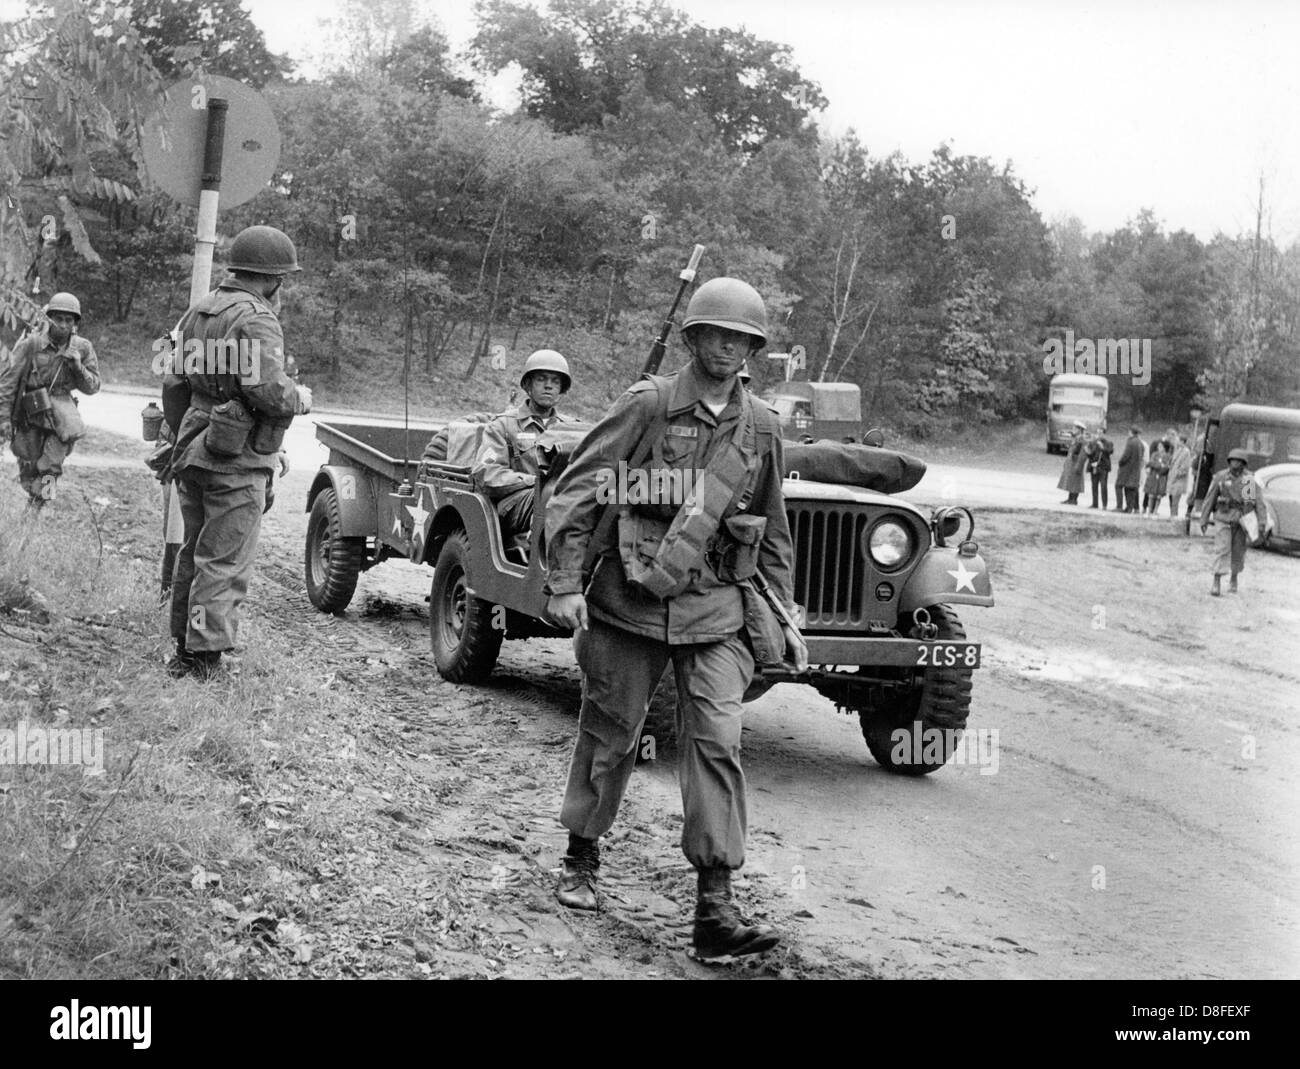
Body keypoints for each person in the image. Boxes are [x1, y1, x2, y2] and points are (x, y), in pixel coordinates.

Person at [544, 276, 807, 960]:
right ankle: (581, 855)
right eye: (716, 333)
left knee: (717, 741)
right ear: (692, 338)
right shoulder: (650, 403)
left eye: (741, 338)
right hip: (630, 599)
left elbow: (773, 526)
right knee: (612, 730)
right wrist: (565, 582)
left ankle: (714, 906)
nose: (727, 346)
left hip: (716, 608)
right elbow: (579, 487)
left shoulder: (763, 426)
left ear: (753, 348)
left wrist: (785, 610)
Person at [162, 226, 311, 679]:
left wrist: (186, 429)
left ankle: (184, 650)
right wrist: (300, 397)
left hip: (195, 447)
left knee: (195, 551)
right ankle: (205, 661)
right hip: (236, 459)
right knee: (224, 559)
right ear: (275, 279)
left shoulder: (200, 310)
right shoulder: (257, 317)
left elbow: (174, 382)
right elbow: (266, 390)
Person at [0, 293, 100, 509]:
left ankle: (37, 509)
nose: (63, 325)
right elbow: (8, 384)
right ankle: (33, 501)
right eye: (58, 319)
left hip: (62, 419)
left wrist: (77, 367)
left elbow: (93, 387)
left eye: (69, 320)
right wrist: (4, 419)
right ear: (48, 319)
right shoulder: (31, 344)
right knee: (28, 467)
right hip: (31, 415)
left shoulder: (82, 348)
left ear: (75, 323)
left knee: (51, 469)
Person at [472, 349, 577, 547]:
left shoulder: (571, 428)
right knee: (552, 496)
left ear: (562, 389)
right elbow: (486, 472)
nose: (548, 386)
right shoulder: (504, 425)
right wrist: (534, 482)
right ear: (528, 385)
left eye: (555, 381)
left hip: (558, 499)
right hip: (514, 503)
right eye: (541, 379)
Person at [1199, 448, 1268, 596]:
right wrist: (1204, 518)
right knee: (1222, 549)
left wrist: (1262, 523)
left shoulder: (1248, 479)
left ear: (1244, 464)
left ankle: (1234, 577)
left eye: (1238, 461)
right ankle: (1216, 581)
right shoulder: (1221, 477)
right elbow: (1210, 498)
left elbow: (1257, 503)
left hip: (1242, 520)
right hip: (1223, 518)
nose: (1235, 464)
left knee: (1238, 551)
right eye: (1232, 461)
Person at [1056, 420, 1088, 504]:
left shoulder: (1081, 439)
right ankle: (1070, 498)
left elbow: (1082, 453)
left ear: (1080, 429)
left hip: (1076, 462)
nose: (1073, 429)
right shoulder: (1076, 438)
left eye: (1075, 428)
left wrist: (1079, 464)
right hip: (1072, 462)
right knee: (1071, 480)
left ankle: (1074, 499)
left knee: (1075, 481)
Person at [1115, 427, 1143, 513]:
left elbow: (1126, 456)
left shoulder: (1130, 442)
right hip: (1136, 469)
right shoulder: (1140, 443)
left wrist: (1120, 462)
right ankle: (1129, 508)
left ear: (1131, 432)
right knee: (1130, 489)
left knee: (1118, 485)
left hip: (1127, 469)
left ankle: (1119, 506)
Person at [1085, 428, 1113, 508]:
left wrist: (1102, 448)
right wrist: (1087, 452)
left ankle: (1104, 505)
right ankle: (1095, 503)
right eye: (1097, 433)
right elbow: (1091, 455)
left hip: (1103, 467)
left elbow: (1110, 451)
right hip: (1094, 466)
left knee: (1103, 486)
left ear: (1104, 434)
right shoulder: (1093, 443)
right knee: (1094, 485)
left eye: (1100, 433)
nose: (1099, 435)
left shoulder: (1108, 443)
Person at [1166, 433, 1192, 518]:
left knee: (1175, 502)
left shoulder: (1186, 452)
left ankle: (1174, 518)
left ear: (1182, 441)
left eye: (1178, 441)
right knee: (1171, 500)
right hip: (1172, 480)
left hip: (1178, 481)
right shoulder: (1177, 450)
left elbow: (1185, 467)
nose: (1176, 442)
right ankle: (1172, 516)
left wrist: (1177, 473)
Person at [1143, 439, 1170, 515]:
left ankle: (1155, 510)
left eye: (1161, 446)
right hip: (1153, 476)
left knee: (1158, 495)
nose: (1159, 447)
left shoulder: (1167, 456)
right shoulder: (1154, 454)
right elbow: (1150, 463)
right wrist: (1158, 465)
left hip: (1161, 477)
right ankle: (1149, 510)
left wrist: (1157, 465)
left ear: (1164, 447)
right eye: (1158, 446)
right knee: (1151, 494)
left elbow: (1166, 467)